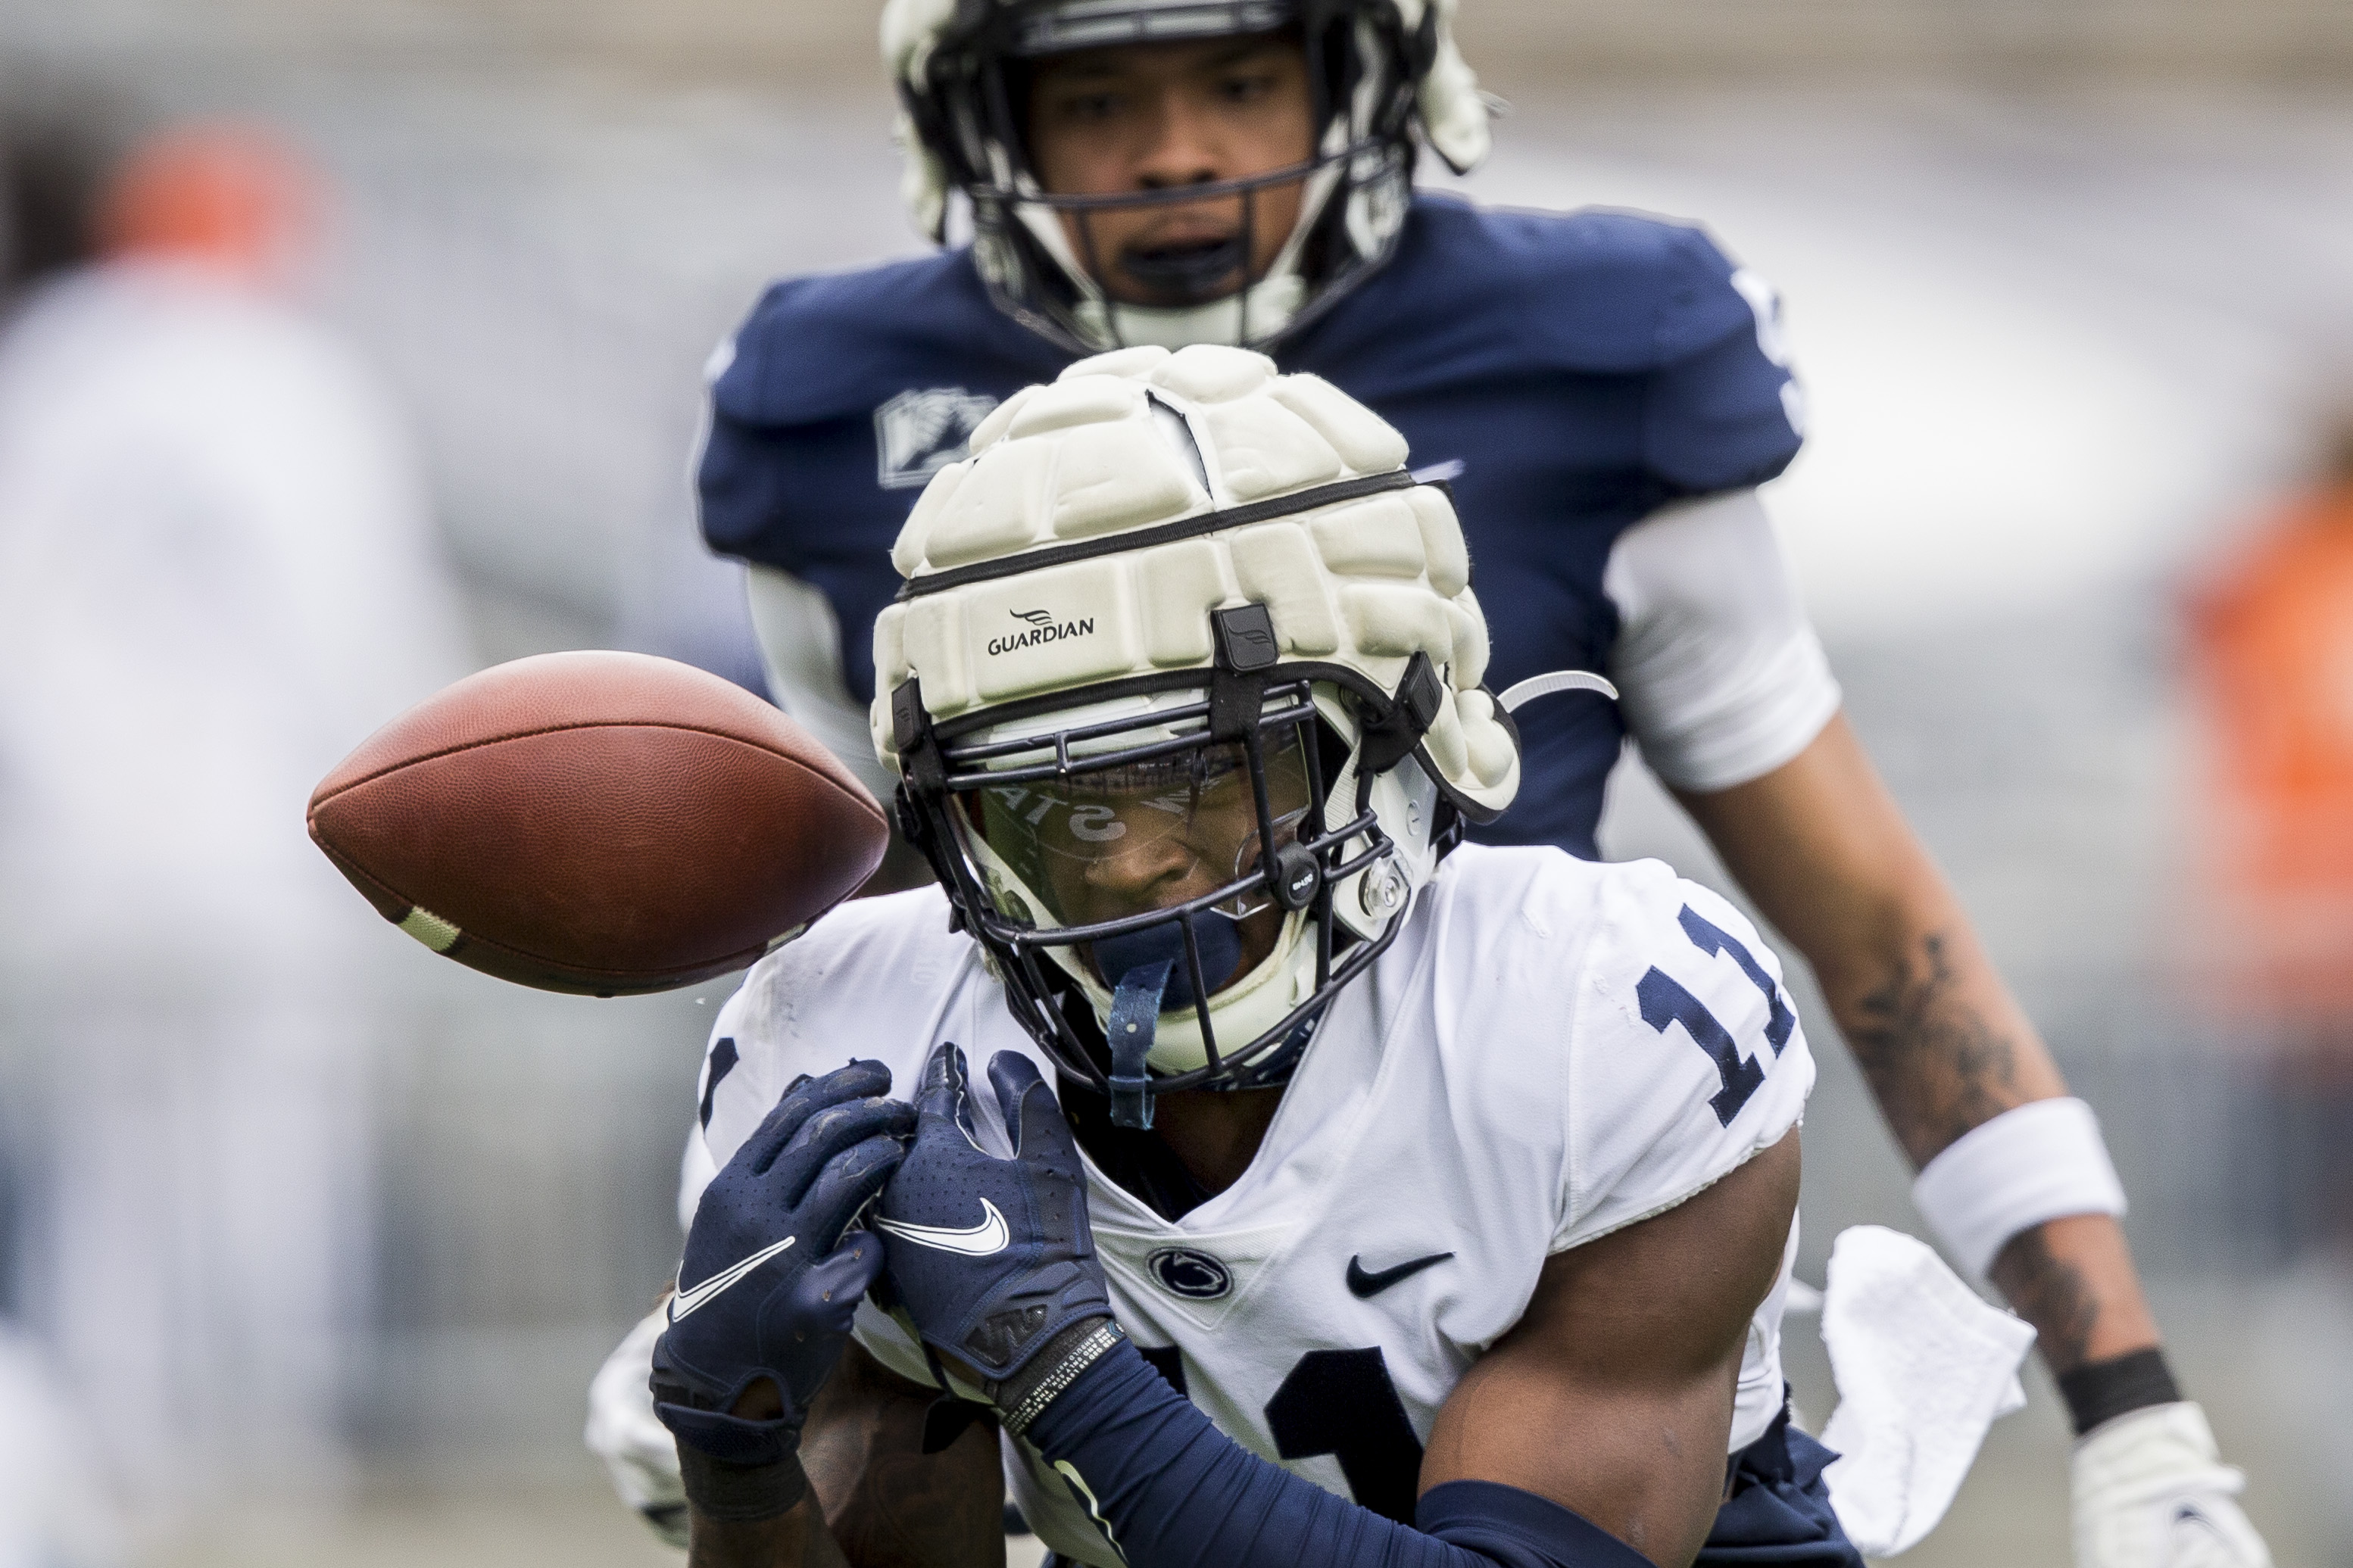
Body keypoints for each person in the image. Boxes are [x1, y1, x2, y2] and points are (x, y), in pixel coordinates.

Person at [602, 4, 2270, 1563]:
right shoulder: (831, 407)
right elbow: (900, 924)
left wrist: (2128, 1396)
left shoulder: (1590, 383)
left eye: (1240, 77)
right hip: (1099, 1181)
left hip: (1503, 1195)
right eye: (1099, 95)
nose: (1178, 152)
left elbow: (1880, 930)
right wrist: (768, 1364)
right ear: (977, 115)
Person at [646, 351, 1832, 1568]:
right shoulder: (848, 1031)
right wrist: (734, 1459)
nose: (1127, 867)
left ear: (1385, 734)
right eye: (1058, 812)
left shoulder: (1605, 1008)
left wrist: (1063, 1373)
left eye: (1200, 774)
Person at [0, 110, 468, 1518]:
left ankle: (117, 1461)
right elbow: (362, 628)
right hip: (271, 854)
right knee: (270, 1158)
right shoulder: (289, 372)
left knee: (111, 1177)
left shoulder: (52, 364)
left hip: (81, 857)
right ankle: (262, 1452)